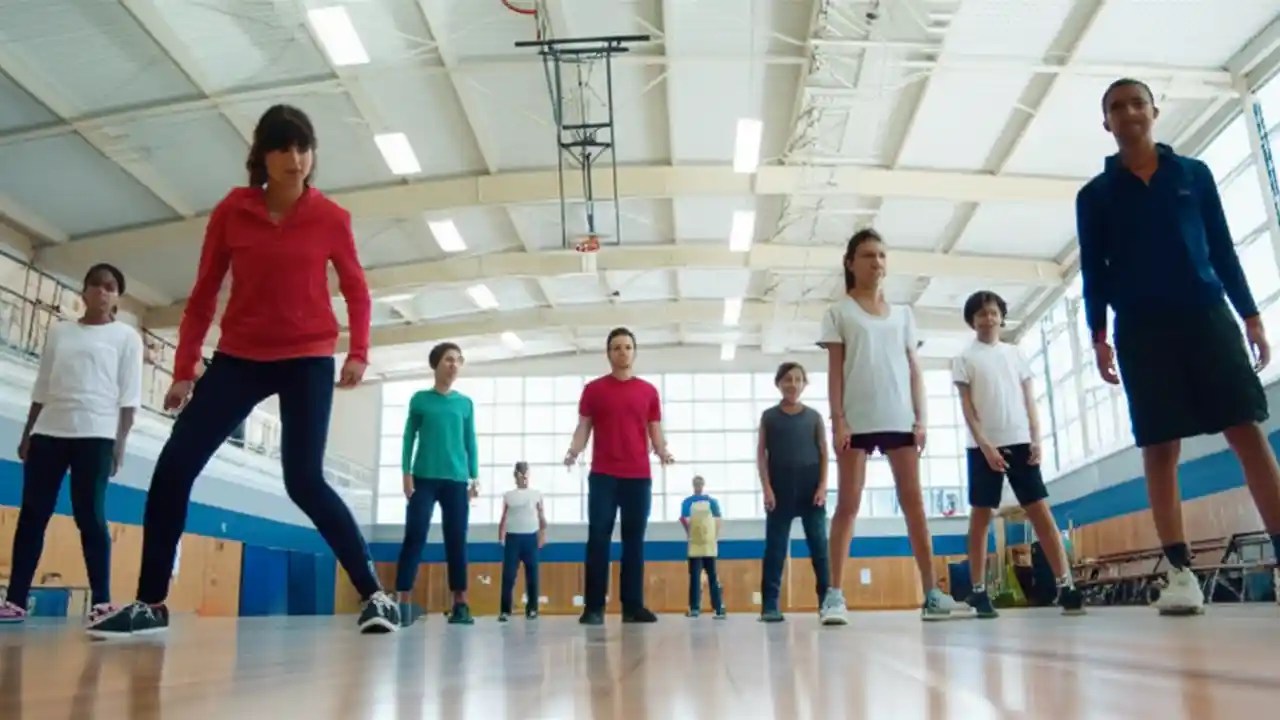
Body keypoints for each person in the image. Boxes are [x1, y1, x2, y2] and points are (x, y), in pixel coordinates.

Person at [90, 104, 398, 637]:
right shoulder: (232, 211)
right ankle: (151, 603)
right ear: (262, 155)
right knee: (174, 465)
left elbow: (356, 290)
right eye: (283, 148)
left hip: (306, 358)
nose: (295, 159)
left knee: (303, 480)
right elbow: (204, 293)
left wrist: (359, 351)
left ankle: (375, 594)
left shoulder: (331, 218)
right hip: (241, 358)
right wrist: (185, 368)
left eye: (303, 148)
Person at [1076, 78, 1280, 615]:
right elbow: (1092, 271)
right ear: (1106, 123)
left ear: (1154, 111)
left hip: (1207, 317)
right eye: (1115, 106)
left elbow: (1222, 247)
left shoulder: (1194, 175)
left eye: (1135, 103)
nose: (1127, 113)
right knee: (1159, 449)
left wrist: (1252, 315)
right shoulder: (1095, 196)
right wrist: (1097, 335)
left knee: (1247, 432)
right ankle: (1181, 572)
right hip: (1141, 330)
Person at [817, 229, 967, 624]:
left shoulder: (904, 314)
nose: (877, 263)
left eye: (882, 255)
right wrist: (838, 421)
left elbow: (914, 370)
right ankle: (833, 594)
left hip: (900, 417)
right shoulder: (839, 313)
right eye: (868, 255)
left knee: (915, 504)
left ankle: (932, 593)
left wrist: (922, 418)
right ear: (851, 263)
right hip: (857, 420)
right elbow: (835, 373)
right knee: (848, 504)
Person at [0, 264, 142, 630]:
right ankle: (15, 600)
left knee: (89, 516)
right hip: (49, 432)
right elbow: (42, 385)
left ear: (117, 297)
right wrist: (28, 431)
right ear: (84, 292)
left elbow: (129, 397)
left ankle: (101, 601)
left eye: (110, 287)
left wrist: (120, 445)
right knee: (33, 514)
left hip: (95, 435)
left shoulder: (126, 338)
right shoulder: (60, 332)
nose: (102, 291)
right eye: (95, 284)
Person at [952, 290, 1084, 618]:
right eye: (981, 313)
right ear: (973, 320)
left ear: (1001, 316)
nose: (988, 318)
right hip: (983, 446)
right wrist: (985, 445)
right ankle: (979, 591)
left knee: (1040, 511)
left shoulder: (1015, 354)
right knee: (981, 515)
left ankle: (1065, 584)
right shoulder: (965, 358)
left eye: (993, 312)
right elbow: (967, 408)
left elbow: (1029, 400)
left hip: (1021, 441)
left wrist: (1036, 438)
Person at [566, 327, 674, 625]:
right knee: (598, 538)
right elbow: (584, 426)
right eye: (616, 347)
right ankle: (593, 607)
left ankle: (632, 606)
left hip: (638, 476)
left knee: (634, 541)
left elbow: (654, 429)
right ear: (608, 353)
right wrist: (574, 451)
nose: (622, 352)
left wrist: (663, 451)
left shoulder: (648, 392)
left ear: (634, 352)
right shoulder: (594, 390)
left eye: (627, 347)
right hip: (603, 475)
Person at [396, 342, 479, 625]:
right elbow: (409, 438)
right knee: (415, 534)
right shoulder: (420, 399)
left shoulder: (465, 403)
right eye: (448, 360)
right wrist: (406, 472)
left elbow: (471, 441)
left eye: (457, 360)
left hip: (456, 480)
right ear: (436, 364)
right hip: (423, 478)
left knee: (456, 539)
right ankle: (403, 599)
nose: (453, 365)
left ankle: (460, 602)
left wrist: (474, 476)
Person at [757, 361, 830, 622]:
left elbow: (823, 452)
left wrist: (822, 486)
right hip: (780, 487)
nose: (793, 384)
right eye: (787, 379)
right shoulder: (769, 416)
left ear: (805, 384)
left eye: (798, 379)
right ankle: (770, 605)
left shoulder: (814, 416)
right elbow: (761, 455)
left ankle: (827, 602)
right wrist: (767, 488)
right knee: (775, 549)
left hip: (811, 487)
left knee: (820, 547)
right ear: (778, 383)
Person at [498, 461, 545, 621]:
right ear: (515, 475)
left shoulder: (536, 494)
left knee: (532, 575)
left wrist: (542, 535)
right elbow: (503, 517)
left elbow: (541, 516)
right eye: (520, 474)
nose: (523, 477)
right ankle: (505, 610)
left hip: (530, 537)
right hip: (512, 538)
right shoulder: (508, 495)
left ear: (528, 475)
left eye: (525, 474)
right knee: (508, 576)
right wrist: (501, 536)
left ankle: (532, 609)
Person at [680, 475, 725, 619]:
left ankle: (695, 608)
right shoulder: (712, 502)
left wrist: (691, 536)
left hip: (696, 546)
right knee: (711, 576)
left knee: (696, 577)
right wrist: (713, 538)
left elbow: (684, 521)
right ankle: (717, 608)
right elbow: (718, 521)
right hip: (708, 545)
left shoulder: (687, 503)